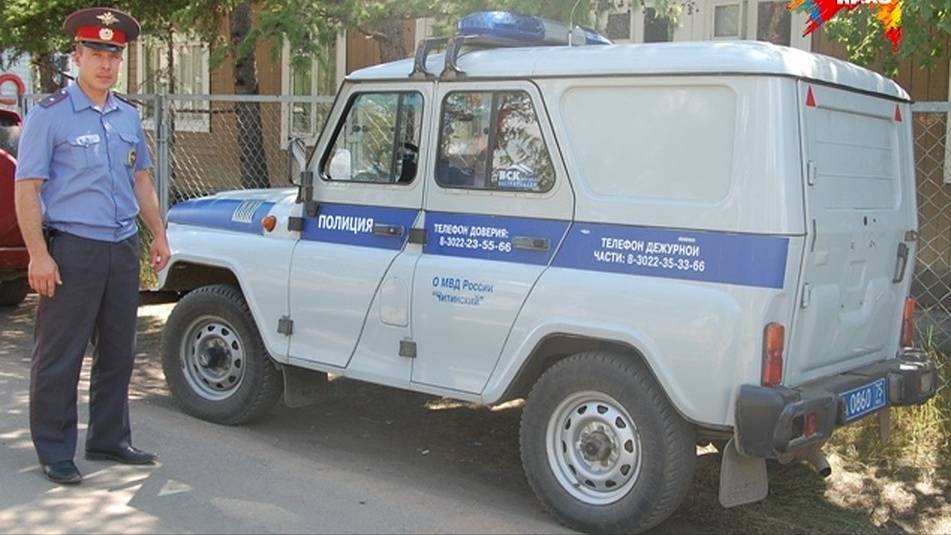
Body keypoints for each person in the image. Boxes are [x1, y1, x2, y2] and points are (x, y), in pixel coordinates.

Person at [13, 7, 170, 485]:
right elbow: (27, 188)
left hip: (121, 246)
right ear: (77, 55)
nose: (105, 63)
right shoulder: (50, 115)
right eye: (96, 53)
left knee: (119, 351)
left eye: (113, 55)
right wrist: (38, 254)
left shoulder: (127, 115)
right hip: (73, 249)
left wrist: (159, 233)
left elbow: (140, 179)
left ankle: (109, 438)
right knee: (61, 355)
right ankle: (55, 448)